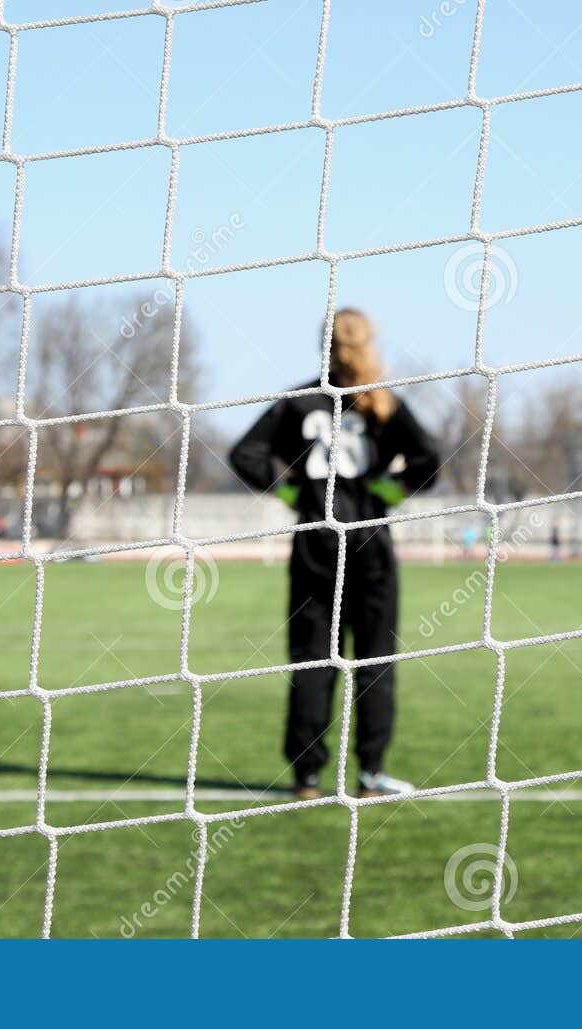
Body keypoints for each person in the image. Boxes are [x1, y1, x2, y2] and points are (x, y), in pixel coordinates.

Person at [229, 309, 440, 802]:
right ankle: (371, 774)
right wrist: (385, 492)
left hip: (315, 541)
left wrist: (293, 493)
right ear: (369, 343)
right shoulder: (383, 403)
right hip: (370, 542)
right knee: (375, 661)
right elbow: (430, 459)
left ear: (324, 345)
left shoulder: (301, 401)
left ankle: (306, 777)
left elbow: (245, 454)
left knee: (312, 659)